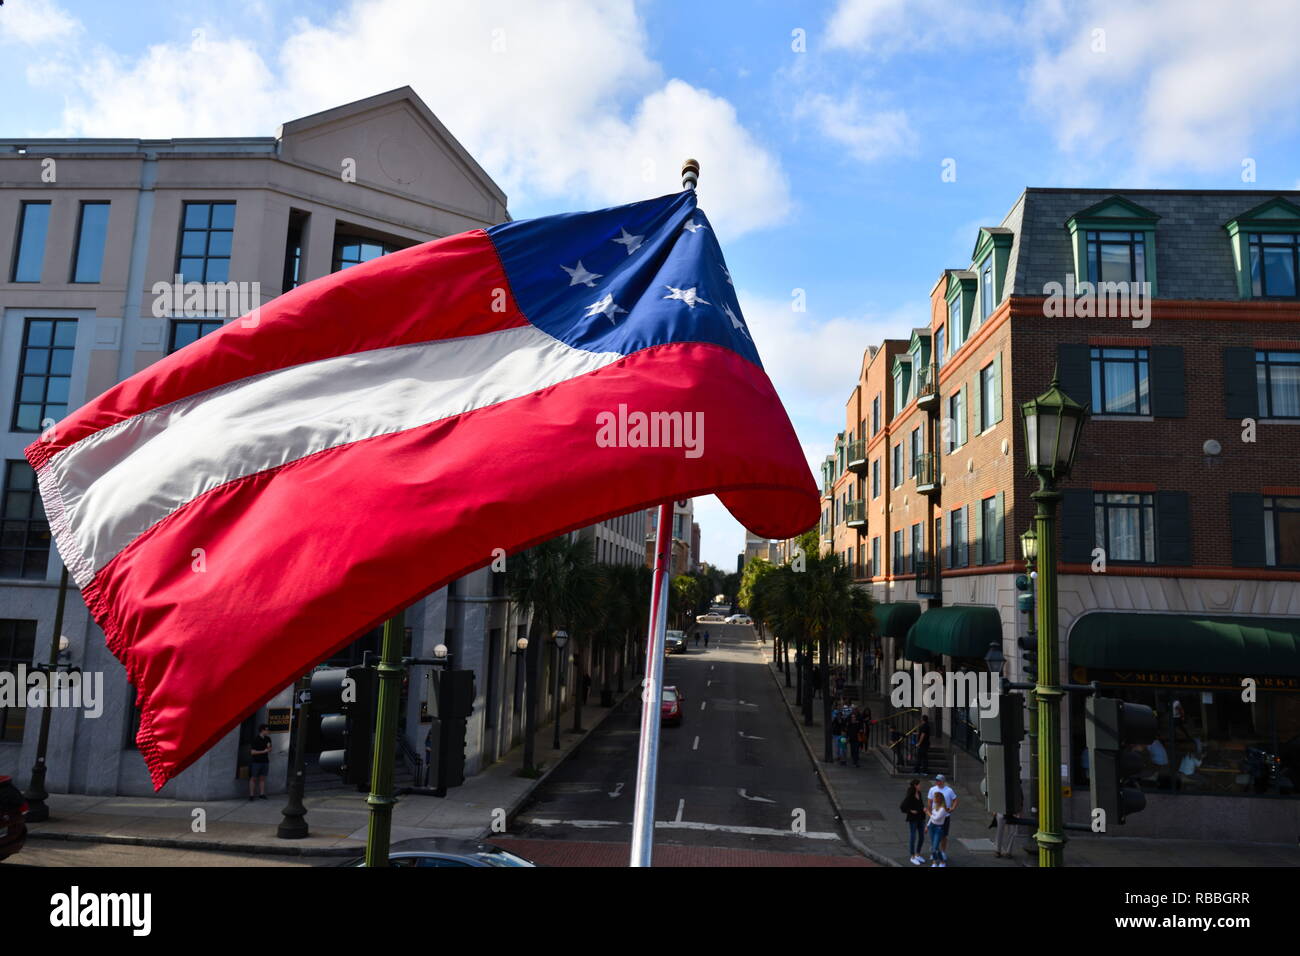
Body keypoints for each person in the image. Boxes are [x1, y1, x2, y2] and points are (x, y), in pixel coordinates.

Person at [927, 773, 958, 856]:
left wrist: (953, 808)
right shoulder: (932, 789)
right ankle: (934, 851)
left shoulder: (949, 790)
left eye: (938, 780)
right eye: (936, 780)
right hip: (934, 817)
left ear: (943, 781)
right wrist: (929, 813)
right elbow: (929, 802)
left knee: (944, 836)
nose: (937, 782)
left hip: (945, 817)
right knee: (933, 836)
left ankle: (943, 852)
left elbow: (955, 800)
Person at [900, 778, 927, 865]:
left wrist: (924, 808)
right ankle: (912, 856)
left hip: (921, 818)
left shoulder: (919, 793)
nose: (921, 786)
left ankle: (918, 854)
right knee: (913, 837)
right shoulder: (910, 795)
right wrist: (911, 811)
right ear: (915, 786)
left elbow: (921, 804)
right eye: (919, 785)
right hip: (913, 819)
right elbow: (902, 806)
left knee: (922, 836)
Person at [926, 792, 950, 866]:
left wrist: (928, 813)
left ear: (939, 799)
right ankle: (934, 862)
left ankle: (942, 862)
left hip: (938, 828)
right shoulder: (935, 806)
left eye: (935, 797)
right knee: (933, 846)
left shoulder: (943, 809)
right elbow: (932, 818)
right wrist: (927, 825)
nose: (933, 799)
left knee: (935, 847)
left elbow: (936, 818)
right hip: (932, 827)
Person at [249, 723, 271, 800]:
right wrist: (263, 751)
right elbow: (252, 752)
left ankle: (262, 794)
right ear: (262, 730)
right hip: (256, 761)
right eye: (267, 730)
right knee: (253, 778)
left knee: (262, 778)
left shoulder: (268, 739)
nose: (268, 731)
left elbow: (269, 749)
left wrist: (269, 749)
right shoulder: (256, 739)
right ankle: (251, 795)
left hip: (265, 761)